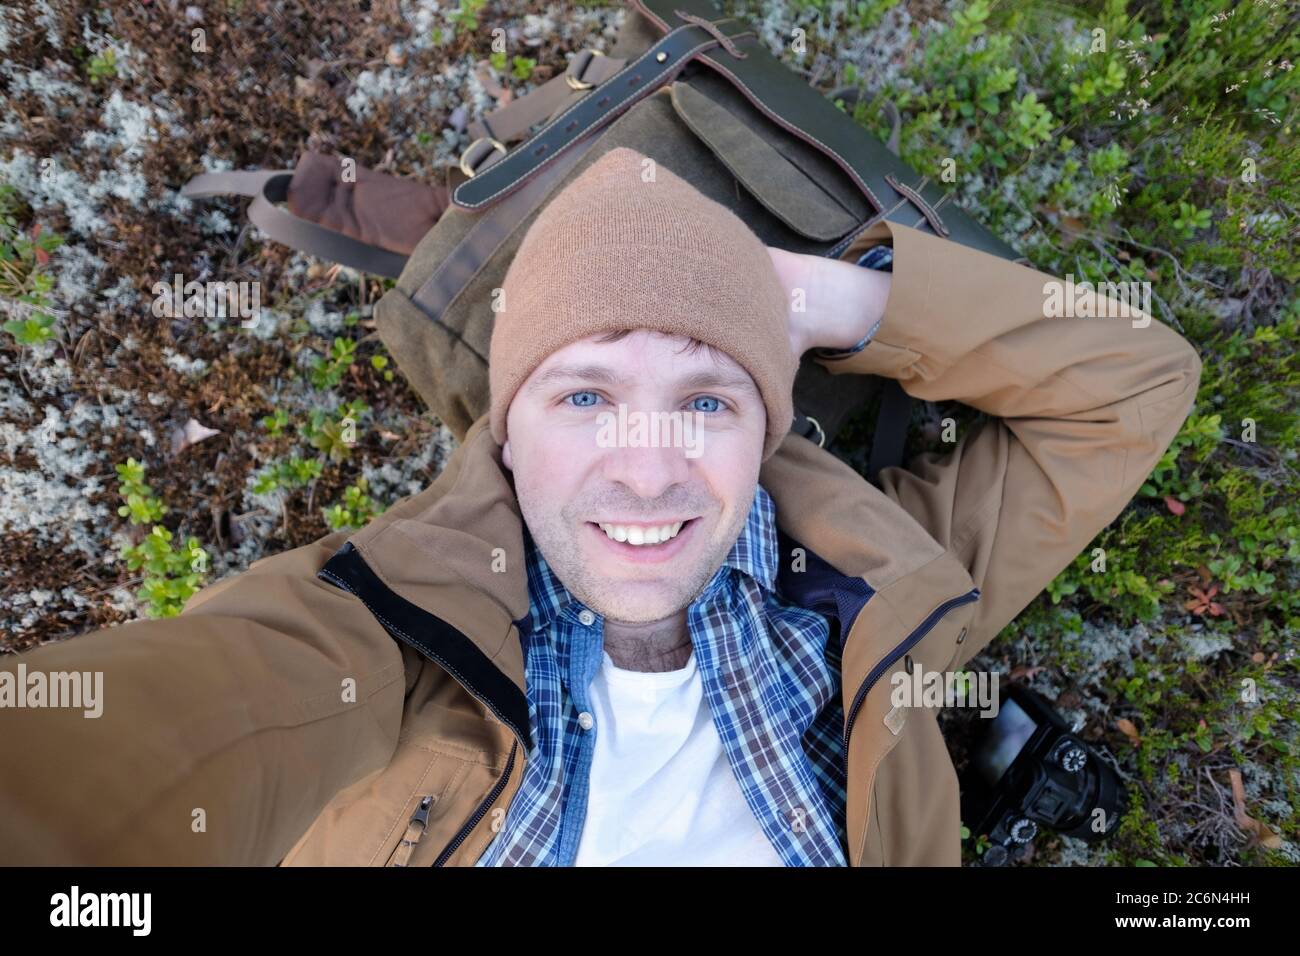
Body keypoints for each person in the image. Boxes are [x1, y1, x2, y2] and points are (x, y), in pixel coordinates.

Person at [0, 147, 1201, 866]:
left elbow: (1138, 376)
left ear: (771, 425)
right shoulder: (383, 631)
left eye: (706, 401)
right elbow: (169, 742)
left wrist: (824, 301)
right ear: (502, 429)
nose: (643, 468)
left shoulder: (880, 586)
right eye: (582, 393)